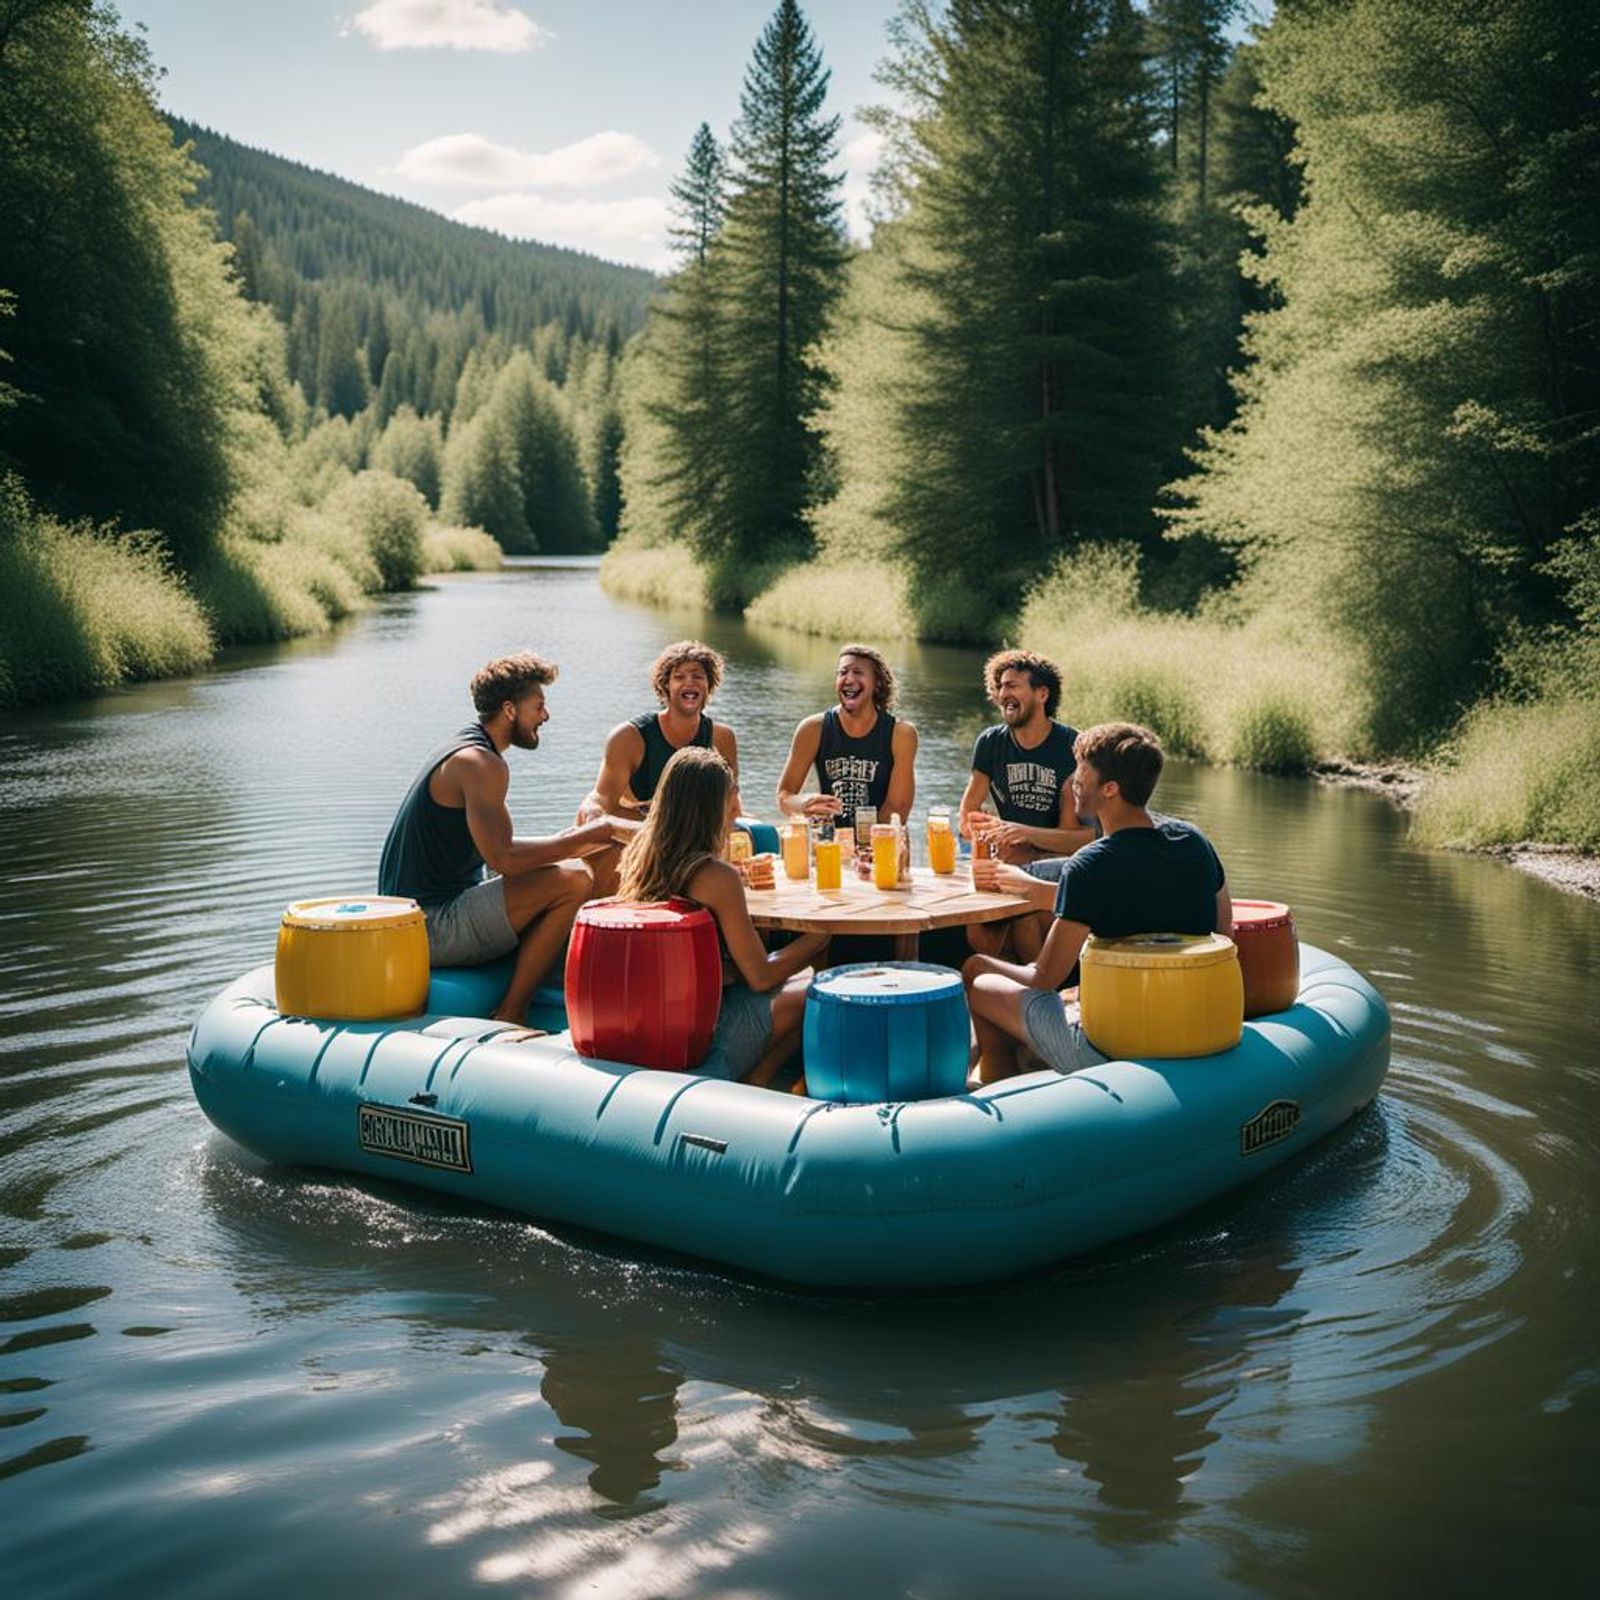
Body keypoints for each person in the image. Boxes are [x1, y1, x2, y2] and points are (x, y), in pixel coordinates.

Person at [962, 722, 1232, 1084]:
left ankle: (1000, 1084)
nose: (1073, 779)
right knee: (1067, 993)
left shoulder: (1090, 866)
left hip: (1113, 1045)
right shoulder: (1195, 841)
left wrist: (980, 964)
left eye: (1082, 771)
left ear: (1110, 789)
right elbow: (1223, 934)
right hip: (1191, 1023)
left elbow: (1043, 979)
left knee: (979, 973)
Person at [378, 652, 635, 1026]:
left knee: (585, 858)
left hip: (428, 914)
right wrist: (590, 835)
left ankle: (563, 983)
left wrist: (579, 838)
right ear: (510, 710)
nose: (545, 716)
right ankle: (512, 1011)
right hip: (429, 926)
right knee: (574, 879)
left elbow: (501, 846)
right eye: (539, 707)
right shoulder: (481, 764)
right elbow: (504, 860)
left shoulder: (468, 749)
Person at [614, 746, 829, 1086]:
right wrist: (821, 934)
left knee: (796, 975)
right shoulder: (715, 876)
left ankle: (754, 1083)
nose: (737, 812)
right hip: (706, 1038)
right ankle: (752, 1084)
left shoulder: (641, 860)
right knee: (817, 985)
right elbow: (760, 976)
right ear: (709, 808)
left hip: (656, 1023)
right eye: (732, 800)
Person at [960, 649, 1096, 960]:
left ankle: (1037, 994)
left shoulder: (1073, 748)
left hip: (1059, 874)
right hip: (1009, 866)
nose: (1003, 693)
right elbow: (966, 819)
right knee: (976, 929)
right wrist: (987, 836)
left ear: (1042, 693)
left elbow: (1088, 841)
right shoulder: (991, 742)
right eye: (1000, 686)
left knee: (1025, 917)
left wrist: (1026, 840)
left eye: (1013, 685)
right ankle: (1016, 993)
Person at [578, 640, 741, 893]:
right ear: (665, 685)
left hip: (689, 843)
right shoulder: (630, 737)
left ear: (709, 686)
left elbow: (730, 807)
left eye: (698, 676)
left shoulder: (722, 738)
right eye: (679, 677)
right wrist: (593, 812)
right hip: (632, 838)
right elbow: (599, 801)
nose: (690, 682)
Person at [776, 643, 917, 834]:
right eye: (842, 673)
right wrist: (805, 803)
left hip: (881, 845)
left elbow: (897, 810)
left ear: (877, 684)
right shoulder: (812, 729)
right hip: (828, 848)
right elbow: (785, 795)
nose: (848, 679)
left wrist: (863, 850)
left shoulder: (901, 734)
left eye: (858, 672)